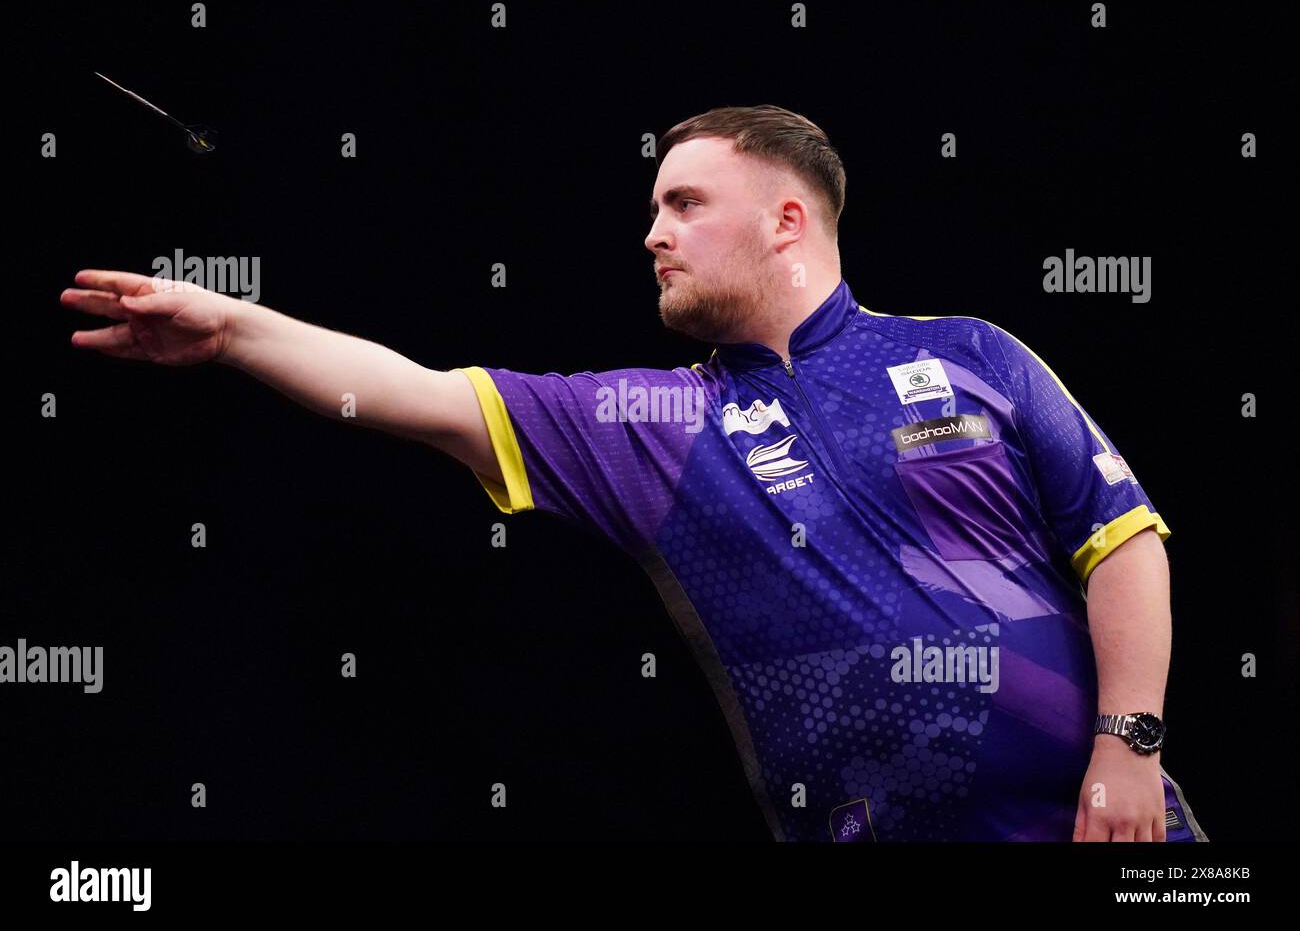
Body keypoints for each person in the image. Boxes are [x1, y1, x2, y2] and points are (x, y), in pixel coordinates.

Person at [60, 104, 1207, 842]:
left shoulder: (970, 353)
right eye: (655, 206)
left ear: (787, 219)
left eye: (683, 202)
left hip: (1122, 828)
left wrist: (1126, 747)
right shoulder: (648, 420)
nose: (651, 231)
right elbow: (416, 386)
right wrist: (232, 328)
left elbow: (1123, 541)